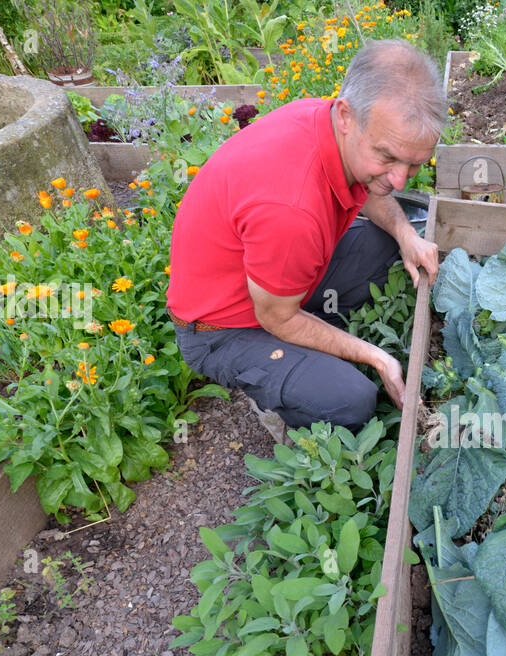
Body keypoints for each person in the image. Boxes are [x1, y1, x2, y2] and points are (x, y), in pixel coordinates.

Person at [166, 39, 446, 437]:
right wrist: (377, 357)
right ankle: (283, 408)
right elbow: (274, 317)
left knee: (389, 247)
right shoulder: (290, 209)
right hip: (223, 327)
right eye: (387, 157)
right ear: (348, 116)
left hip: (273, 279)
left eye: (414, 164)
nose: (400, 179)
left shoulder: (330, 120)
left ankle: (310, 339)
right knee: (351, 401)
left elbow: (371, 187)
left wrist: (406, 235)